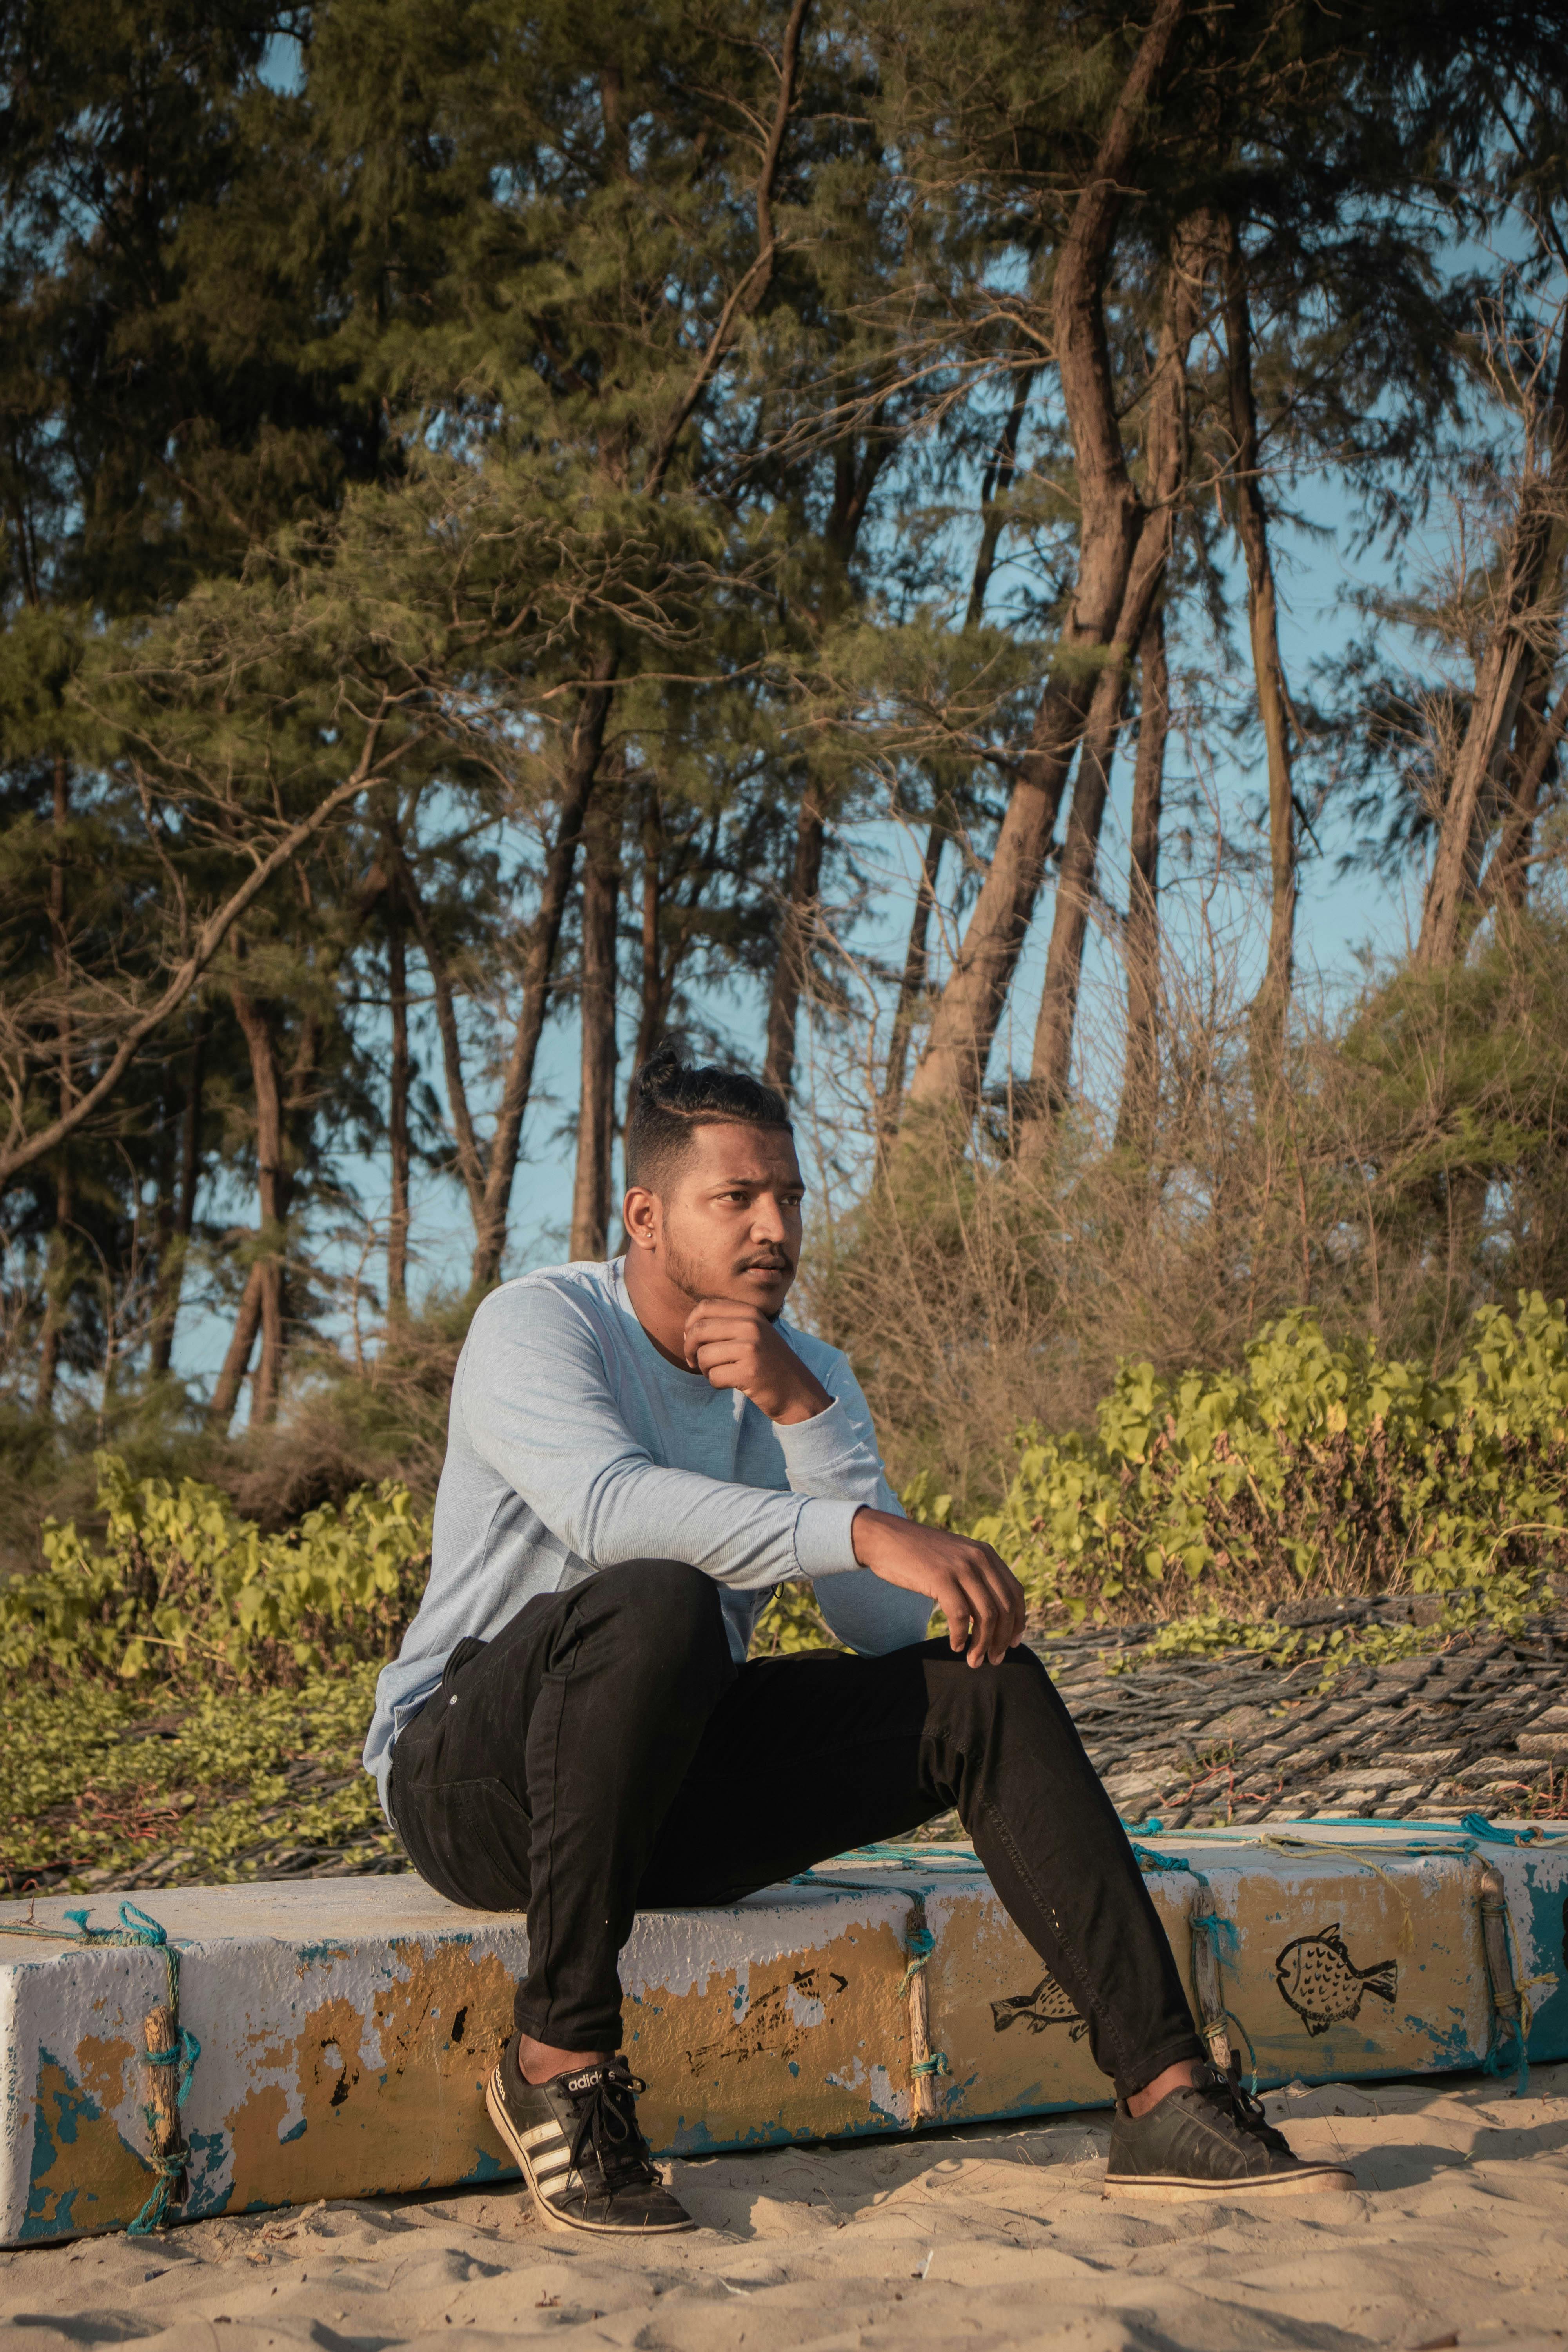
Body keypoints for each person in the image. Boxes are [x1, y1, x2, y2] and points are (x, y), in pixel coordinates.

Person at [364, 1047, 1354, 2234]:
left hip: (660, 1790)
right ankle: (555, 2064)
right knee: (660, 1596)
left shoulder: (807, 1372)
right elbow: (607, 1511)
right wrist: (867, 1526)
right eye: (736, 1199)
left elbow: (880, 1629)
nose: (774, 1227)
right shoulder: (539, 1328)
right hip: (470, 1782)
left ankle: (1166, 2093)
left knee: (981, 1691)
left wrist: (804, 1419)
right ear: (646, 1216)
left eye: (787, 1198)